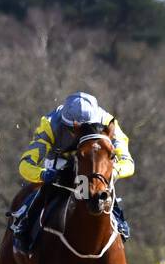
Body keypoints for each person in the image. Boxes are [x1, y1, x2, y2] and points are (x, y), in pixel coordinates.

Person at [11, 91, 134, 254]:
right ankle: (25, 223)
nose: (79, 134)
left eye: (86, 130)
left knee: (99, 183)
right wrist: (43, 174)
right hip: (59, 163)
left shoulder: (108, 123)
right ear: (66, 123)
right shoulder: (50, 124)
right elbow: (26, 165)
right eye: (73, 129)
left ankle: (118, 220)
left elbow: (127, 162)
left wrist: (113, 172)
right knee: (45, 189)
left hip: (90, 165)